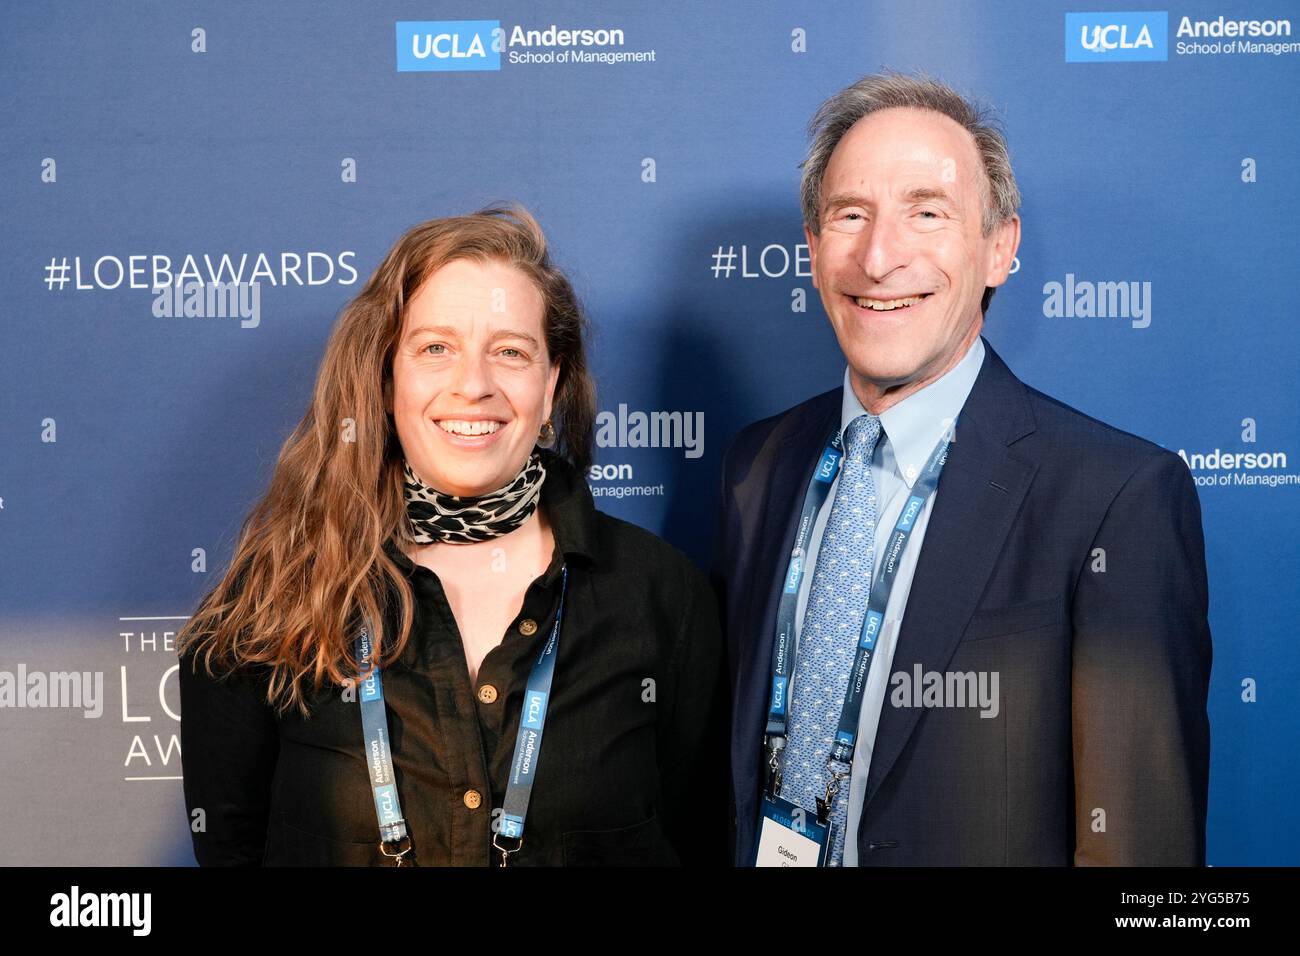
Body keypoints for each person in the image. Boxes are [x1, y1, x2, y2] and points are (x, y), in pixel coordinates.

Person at [711, 72, 1211, 866]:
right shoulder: (756, 465)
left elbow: (1141, 851)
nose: (879, 257)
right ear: (812, 250)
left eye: (927, 212)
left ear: (1000, 248)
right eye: (851, 215)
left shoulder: (1116, 497)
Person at [177, 205, 727, 866]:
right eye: (437, 348)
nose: (474, 385)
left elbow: (696, 836)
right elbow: (231, 846)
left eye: (510, 352)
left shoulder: (661, 596)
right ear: (386, 377)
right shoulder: (270, 597)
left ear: (550, 386)